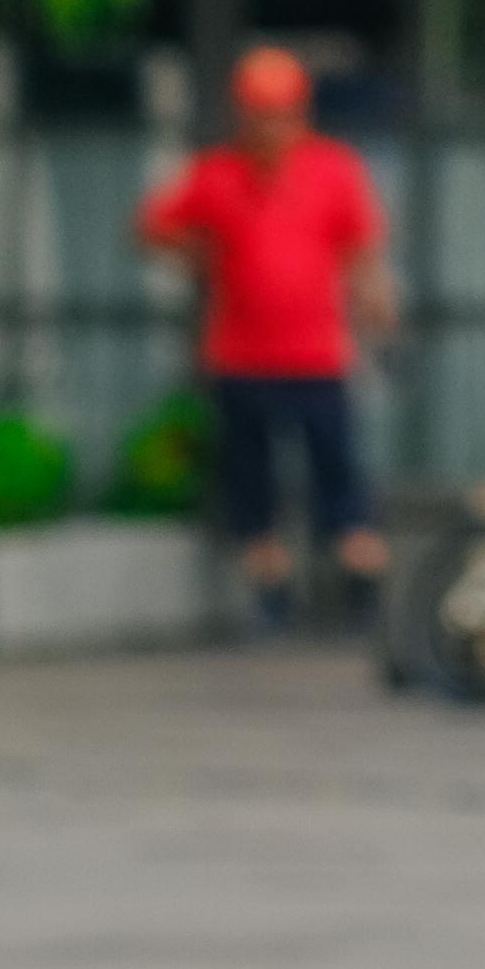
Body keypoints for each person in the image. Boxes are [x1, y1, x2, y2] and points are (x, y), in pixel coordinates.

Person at [136, 45, 397, 623]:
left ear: (300, 113)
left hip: (317, 355)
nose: (270, 125)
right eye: (258, 113)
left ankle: (356, 577)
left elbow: (362, 245)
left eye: (280, 113)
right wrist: (199, 253)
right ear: (242, 114)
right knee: (250, 480)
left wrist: (376, 296)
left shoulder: (333, 168)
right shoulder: (216, 173)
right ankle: (269, 584)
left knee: (337, 469)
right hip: (240, 357)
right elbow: (151, 224)